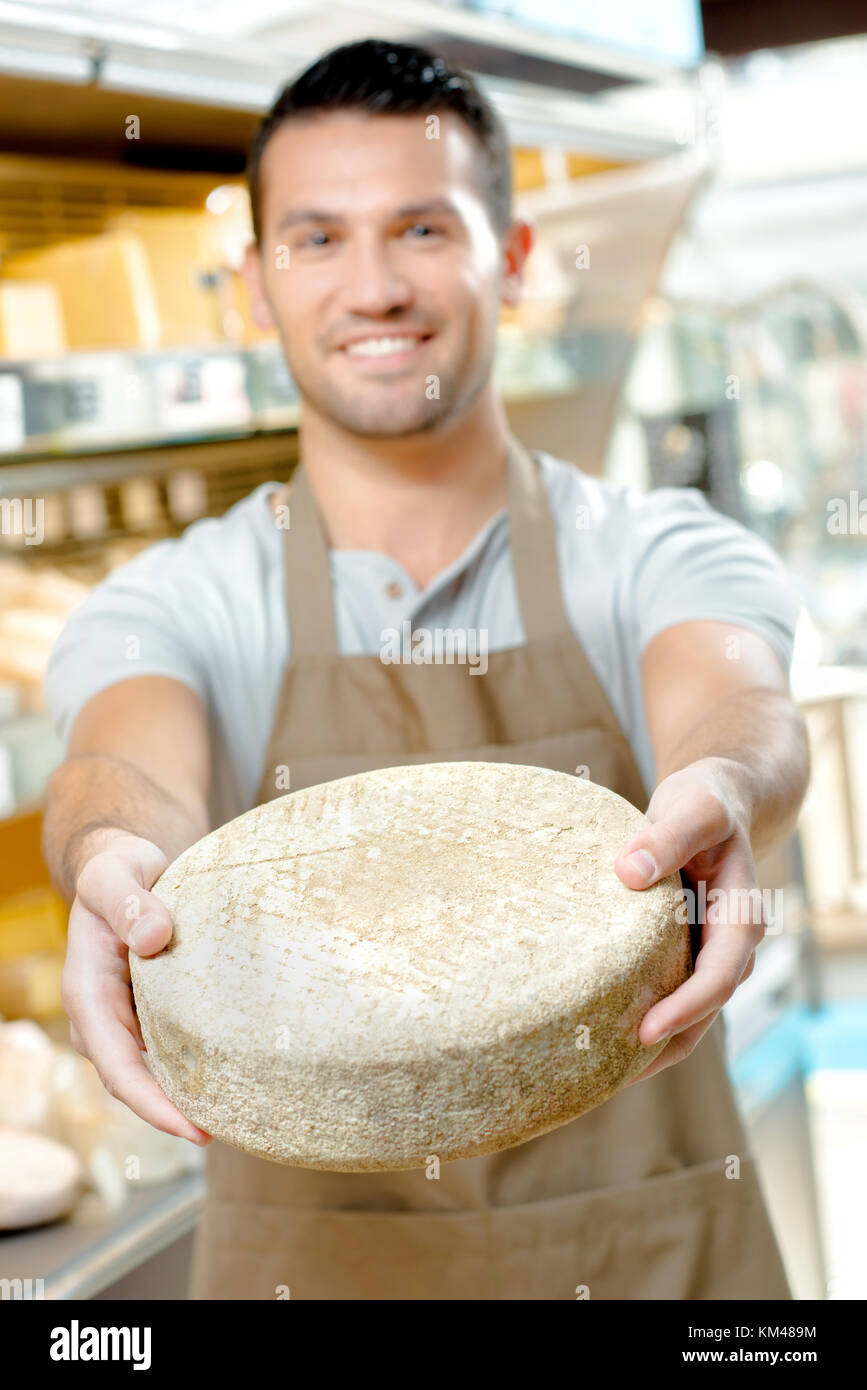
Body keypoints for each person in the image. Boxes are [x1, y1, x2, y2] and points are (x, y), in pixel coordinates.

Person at [42, 39, 809, 1300]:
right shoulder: (180, 598)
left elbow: (741, 706)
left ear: (509, 266)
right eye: (319, 240)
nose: (377, 286)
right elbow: (120, 761)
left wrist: (725, 781)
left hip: (649, 1258)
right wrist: (107, 856)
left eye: (423, 229)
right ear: (252, 287)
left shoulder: (652, 549)